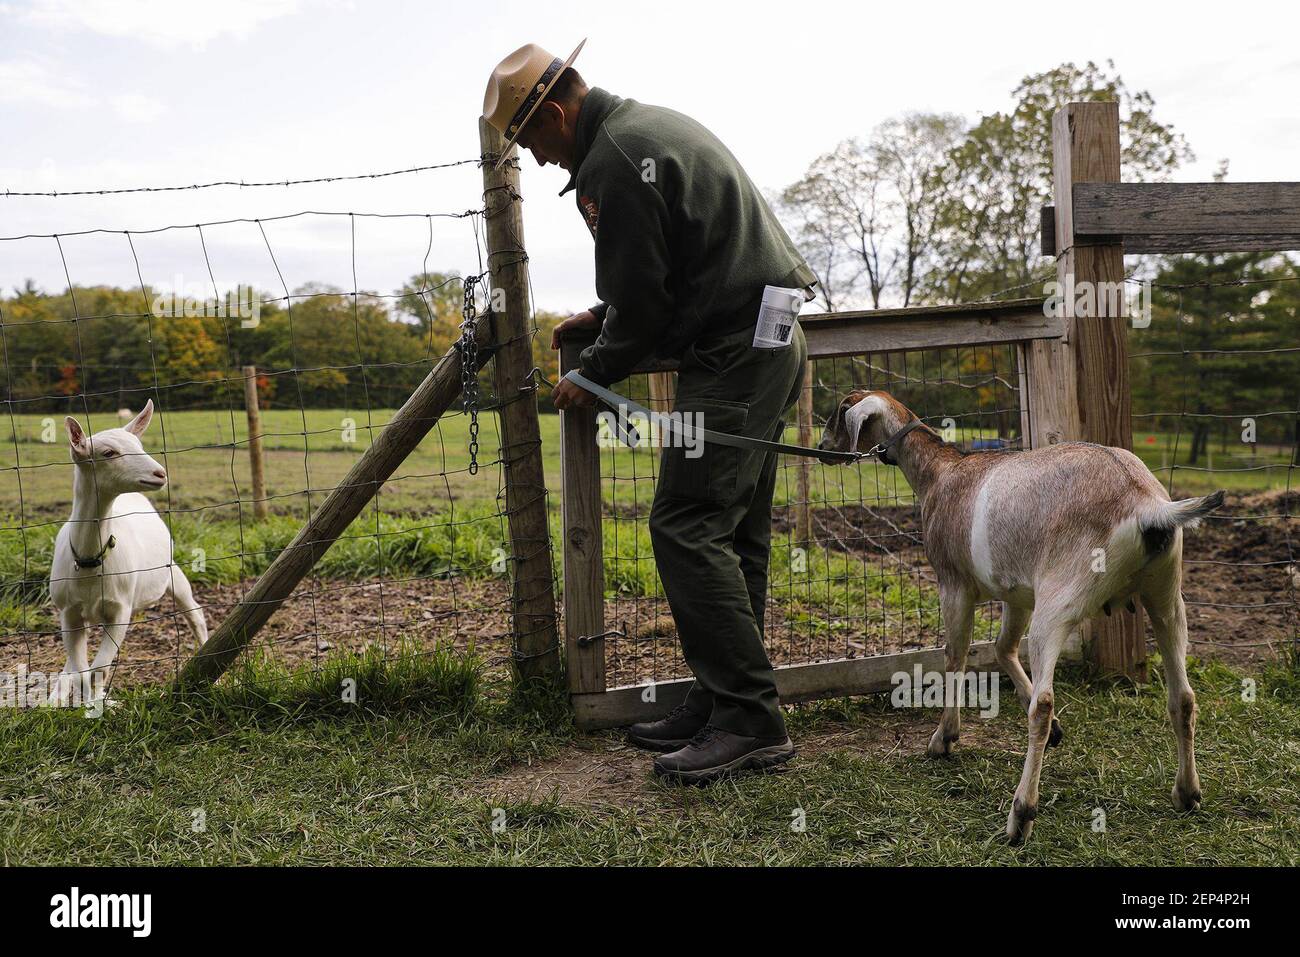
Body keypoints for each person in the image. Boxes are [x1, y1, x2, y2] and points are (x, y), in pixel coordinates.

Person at [483, 39, 818, 783]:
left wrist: (595, 367)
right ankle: (724, 697)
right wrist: (604, 315)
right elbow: (664, 265)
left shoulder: (613, 161)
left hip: (736, 351)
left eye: (533, 139)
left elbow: (647, 305)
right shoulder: (640, 131)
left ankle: (749, 719)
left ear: (557, 112)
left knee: (686, 524)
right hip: (770, 336)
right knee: (733, 532)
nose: (537, 160)